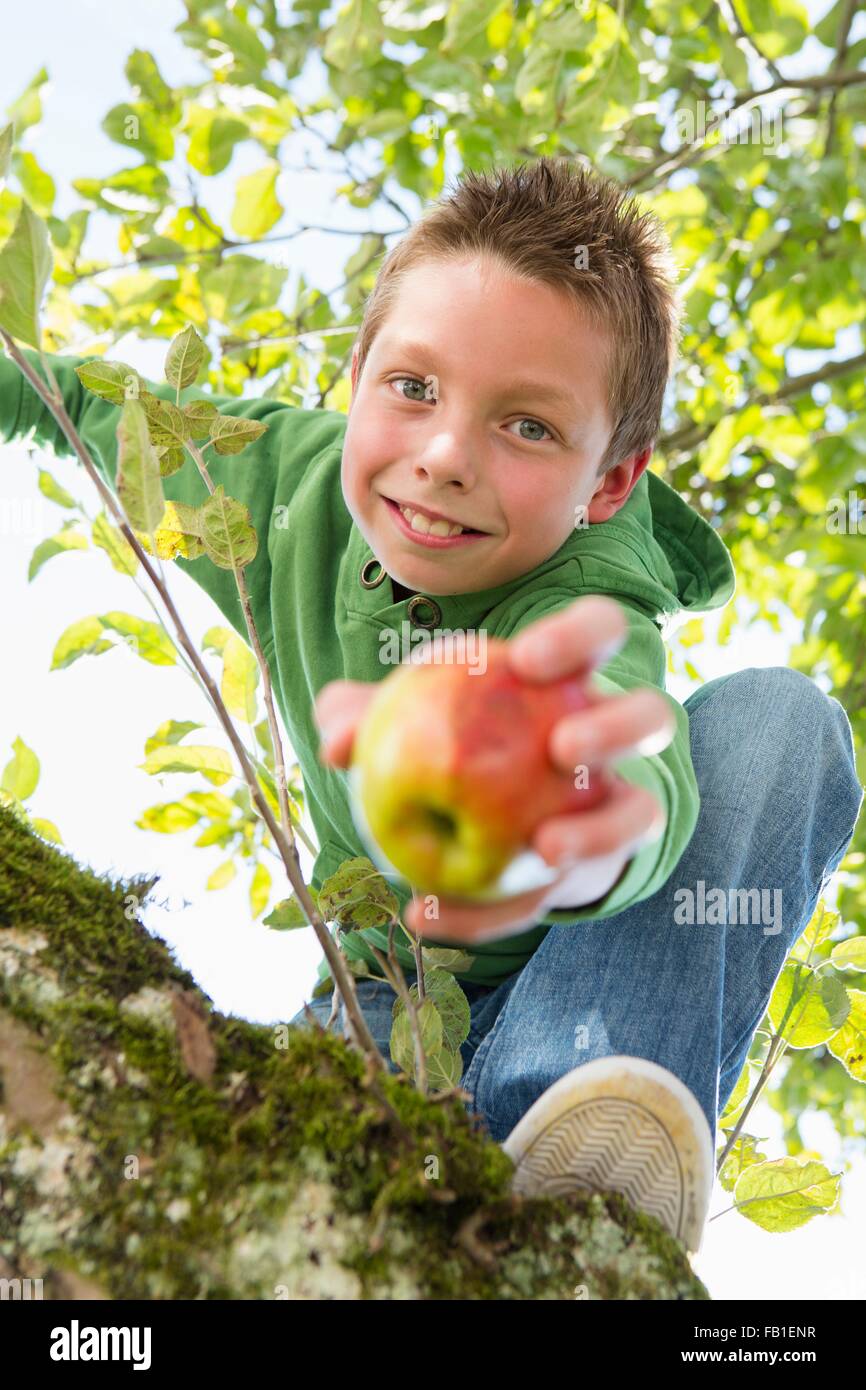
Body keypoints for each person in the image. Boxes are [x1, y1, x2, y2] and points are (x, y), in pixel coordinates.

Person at [2, 159, 861, 1257]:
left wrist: (581, 817)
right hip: (384, 1009)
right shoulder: (274, 484)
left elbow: (626, 734)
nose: (445, 456)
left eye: (528, 427)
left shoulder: (591, 600)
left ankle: (582, 1160)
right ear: (356, 373)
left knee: (782, 719)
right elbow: (82, 406)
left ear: (609, 483)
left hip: (589, 1008)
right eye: (412, 387)